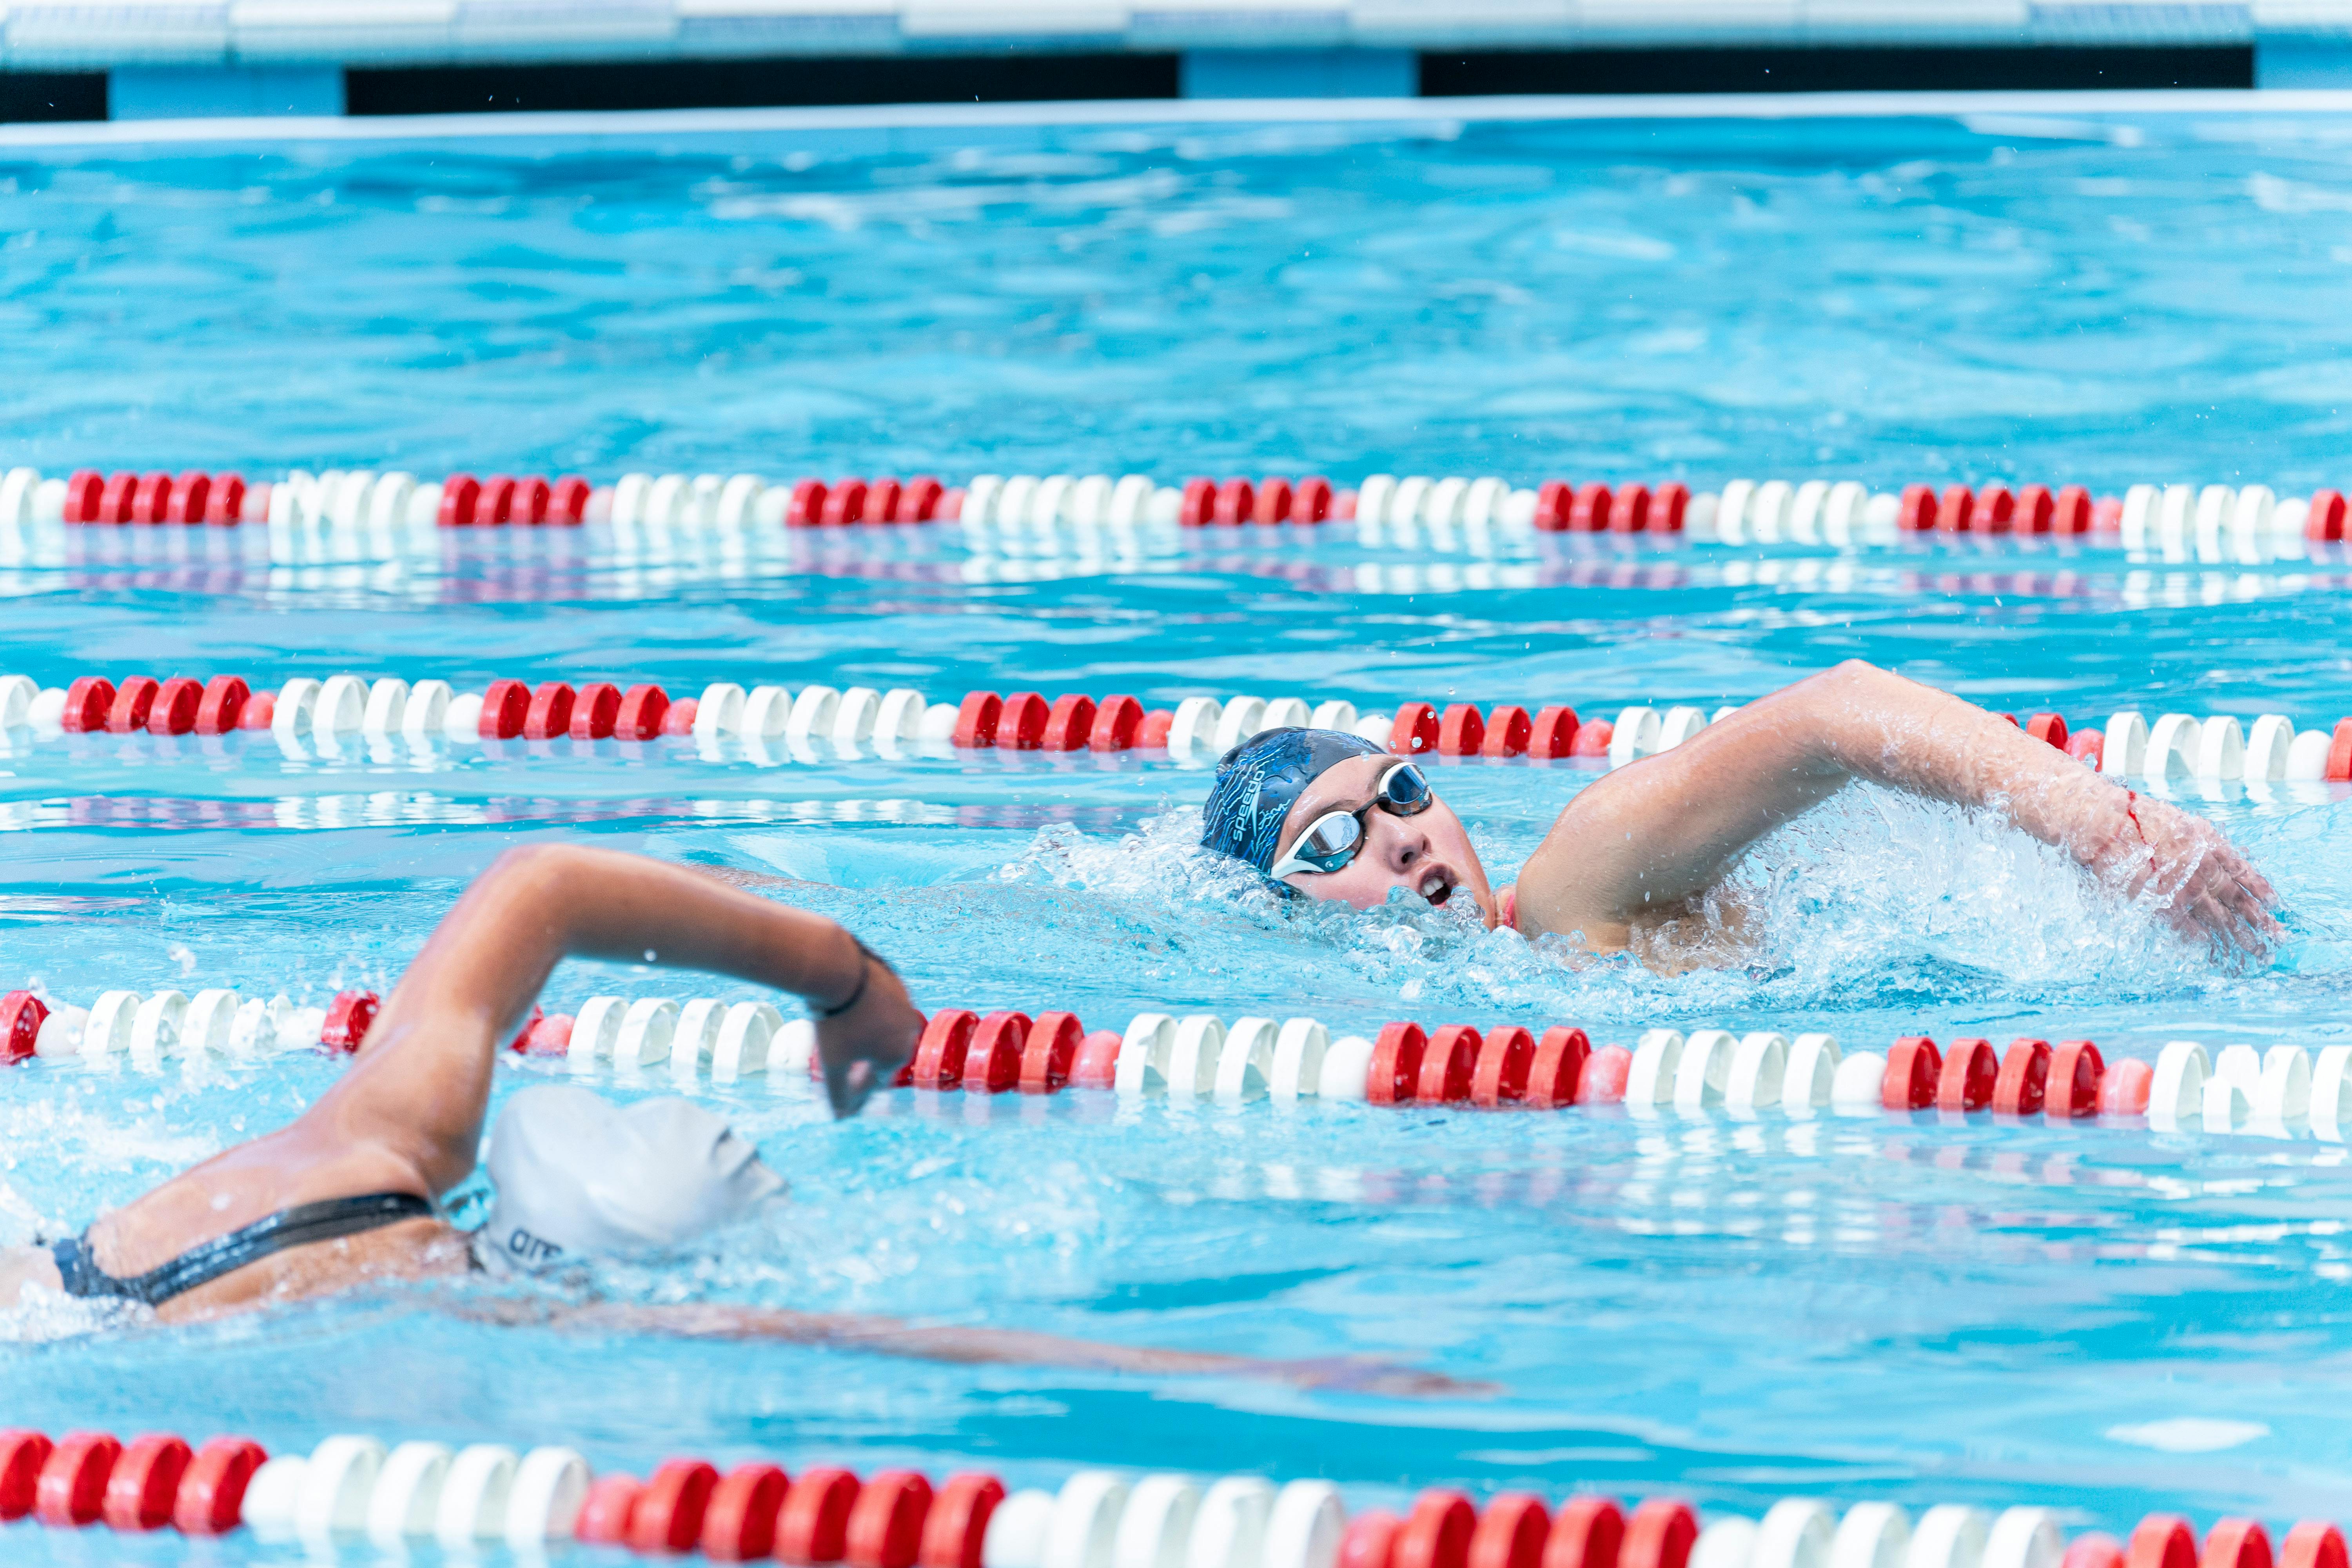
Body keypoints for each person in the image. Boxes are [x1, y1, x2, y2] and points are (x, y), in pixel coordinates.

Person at [0, 846, 1477, 1398]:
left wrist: (844, 976)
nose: (652, 1092)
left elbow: (540, 886)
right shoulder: (462, 1279)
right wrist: (1258, 1370)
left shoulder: (366, 1153)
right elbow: (880, 1344)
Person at [1201, 660, 2280, 967]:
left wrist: (2099, 825)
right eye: (1334, 839)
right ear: (1277, 911)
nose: (1400, 833)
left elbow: (1838, 711)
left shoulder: (1574, 887)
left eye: (1400, 791)